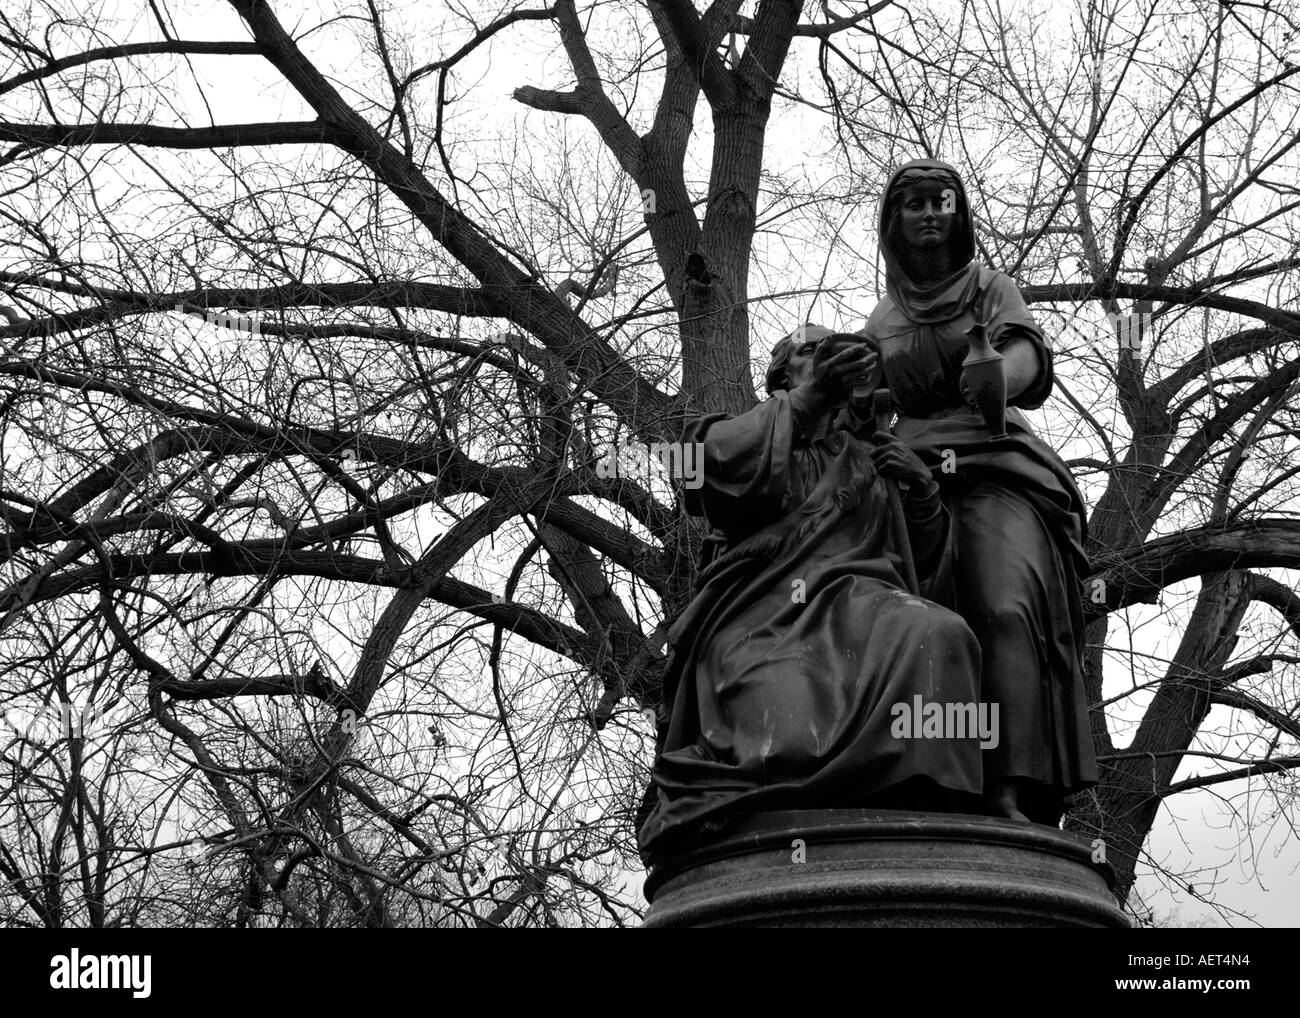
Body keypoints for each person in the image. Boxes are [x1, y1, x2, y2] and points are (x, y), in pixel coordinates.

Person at [637, 325, 986, 866]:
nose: (828, 362)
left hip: (863, 607)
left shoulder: (872, 459)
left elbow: (926, 572)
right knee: (790, 738)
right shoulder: (747, 432)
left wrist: (921, 491)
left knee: (939, 632)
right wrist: (811, 400)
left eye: (837, 356)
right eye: (811, 353)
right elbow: (704, 469)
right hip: (764, 618)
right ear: (784, 376)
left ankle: (929, 829)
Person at [857, 157, 1098, 824]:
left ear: (960, 214)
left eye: (943, 201)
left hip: (992, 463)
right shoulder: (881, 320)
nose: (932, 212)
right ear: (894, 221)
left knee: (1002, 607)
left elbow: (1023, 356)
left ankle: (1011, 783)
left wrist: (1001, 377)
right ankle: (928, 776)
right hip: (909, 476)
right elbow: (866, 399)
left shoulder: (990, 286)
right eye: (917, 203)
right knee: (892, 617)